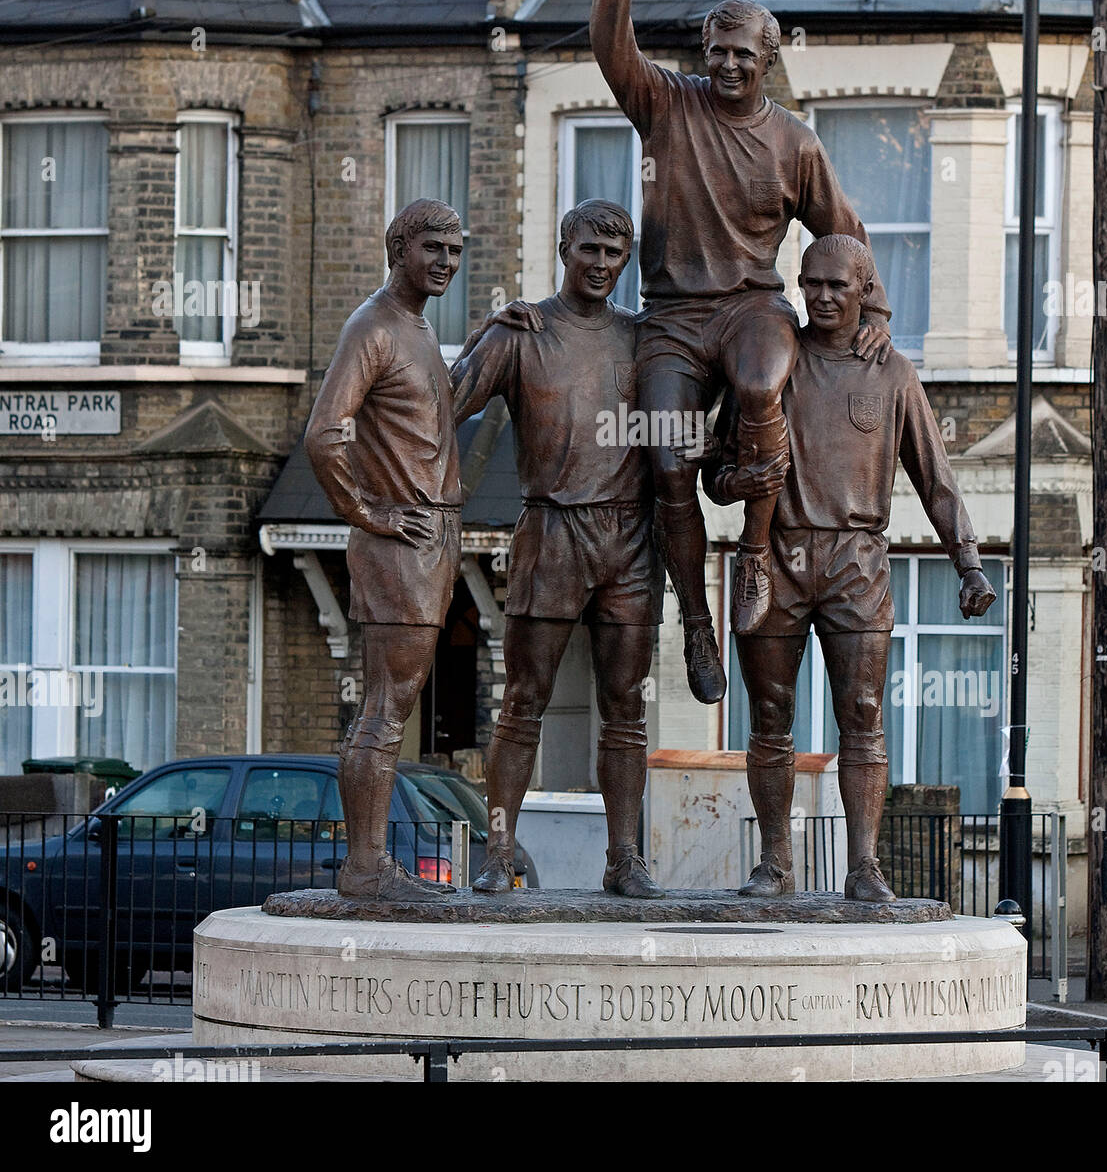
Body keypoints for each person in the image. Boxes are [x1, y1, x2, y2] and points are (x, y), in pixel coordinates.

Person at [591, 0, 893, 705]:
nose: (727, 65)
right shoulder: (667, 105)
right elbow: (608, 45)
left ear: (768, 62)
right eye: (717, 50)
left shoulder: (795, 141)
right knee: (665, 457)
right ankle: (695, 616)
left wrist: (878, 317)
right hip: (672, 317)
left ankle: (753, 552)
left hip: (752, 305)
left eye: (744, 56)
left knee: (764, 383)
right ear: (704, 49)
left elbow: (843, 235)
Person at [702, 234, 997, 901]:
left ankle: (863, 865)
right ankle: (774, 863)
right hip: (776, 555)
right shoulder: (771, 363)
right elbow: (714, 474)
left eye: (840, 286)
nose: (825, 297)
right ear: (800, 286)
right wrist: (739, 480)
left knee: (862, 711)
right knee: (770, 715)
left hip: (856, 561)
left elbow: (936, 478)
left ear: (865, 292)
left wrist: (969, 563)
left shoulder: (891, 373)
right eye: (814, 284)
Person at [452, 200, 666, 898]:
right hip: (551, 531)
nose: (601, 264)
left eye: (614, 253)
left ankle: (624, 856)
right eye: (589, 251)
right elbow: (449, 401)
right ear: (564, 248)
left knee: (625, 703)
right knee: (524, 699)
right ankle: (499, 849)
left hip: (630, 537)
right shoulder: (526, 331)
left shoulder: (643, 338)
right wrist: (483, 330)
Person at [304, 199, 465, 901]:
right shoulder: (372, 327)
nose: (446, 262)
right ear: (398, 247)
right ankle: (366, 867)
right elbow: (323, 434)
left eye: (455, 251)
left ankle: (368, 864)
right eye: (432, 247)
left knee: (392, 702)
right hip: (402, 542)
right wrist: (366, 511)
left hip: (430, 540)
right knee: (385, 706)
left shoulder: (418, 329)